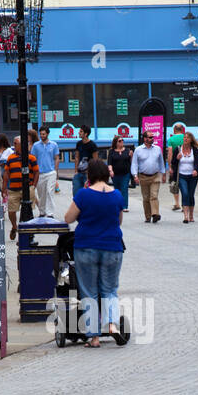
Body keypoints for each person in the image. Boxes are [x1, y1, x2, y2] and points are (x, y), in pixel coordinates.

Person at [63, 158, 125, 347]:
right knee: (110, 289)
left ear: (89, 175)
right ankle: (112, 325)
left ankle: (94, 337)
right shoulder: (117, 195)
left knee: (89, 292)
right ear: (107, 174)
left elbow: (68, 218)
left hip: (86, 247)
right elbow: (119, 221)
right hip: (112, 247)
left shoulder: (83, 195)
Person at [4, 137, 39, 240]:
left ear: (21, 145)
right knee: (11, 211)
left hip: (27, 189)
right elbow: (6, 172)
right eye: (14, 143)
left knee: (28, 211)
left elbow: (37, 171)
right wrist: (4, 187)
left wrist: (34, 185)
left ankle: (27, 232)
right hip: (13, 189)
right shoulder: (10, 158)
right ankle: (15, 227)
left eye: (15, 143)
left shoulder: (31, 158)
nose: (13, 145)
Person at [131, 127, 166, 223]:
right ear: (145, 139)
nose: (152, 139)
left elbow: (161, 162)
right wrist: (135, 175)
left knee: (154, 196)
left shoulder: (158, 149)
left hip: (155, 176)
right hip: (143, 176)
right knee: (146, 198)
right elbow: (134, 164)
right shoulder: (138, 150)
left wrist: (163, 174)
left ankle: (155, 214)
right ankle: (148, 216)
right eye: (150, 137)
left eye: (152, 137)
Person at [33, 124, 60, 217]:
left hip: (51, 172)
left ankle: (50, 213)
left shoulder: (54, 145)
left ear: (48, 134)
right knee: (41, 194)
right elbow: (33, 158)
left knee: (50, 192)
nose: (42, 136)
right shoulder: (36, 146)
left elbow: (57, 158)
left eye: (44, 134)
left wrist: (55, 171)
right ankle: (42, 211)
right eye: (41, 134)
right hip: (40, 173)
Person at [177, 131, 198, 223]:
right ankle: (185, 216)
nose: (185, 139)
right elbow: (173, 163)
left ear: (191, 140)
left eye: (187, 138)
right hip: (182, 175)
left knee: (191, 195)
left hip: (192, 176)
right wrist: (177, 158)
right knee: (185, 194)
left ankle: (191, 215)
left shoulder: (195, 150)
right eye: (184, 137)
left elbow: (196, 162)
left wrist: (195, 169)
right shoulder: (178, 149)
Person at [108, 135, 132, 211]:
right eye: (119, 141)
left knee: (124, 189)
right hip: (115, 174)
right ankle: (118, 205)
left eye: (122, 140)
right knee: (117, 190)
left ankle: (124, 206)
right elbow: (109, 163)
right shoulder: (111, 151)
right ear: (116, 143)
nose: (122, 142)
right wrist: (111, 171)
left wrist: (132, 156)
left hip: (125, 173)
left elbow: (132, 162)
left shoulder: (127, 150)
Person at [72, 126, 97, 196]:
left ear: (86, 134)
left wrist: (91, 174)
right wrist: (76, 171)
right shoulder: (78, 144)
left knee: (88, 195)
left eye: (81, 131)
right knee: (76, 194)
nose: (79, 133)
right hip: (79, 173)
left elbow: (95, 160)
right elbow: (77, 157)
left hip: (88, 174)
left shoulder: (92, 145)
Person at [167, 123, 185, 212]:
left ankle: (177, 203)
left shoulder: (171, 139)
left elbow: (170, 153)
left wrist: (170, 166)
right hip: (186, 163)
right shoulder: (186, 138)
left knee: (175, 182)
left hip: (175, 163)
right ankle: (184, 203)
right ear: (182, 130)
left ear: (174, 130)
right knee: (184, 183)